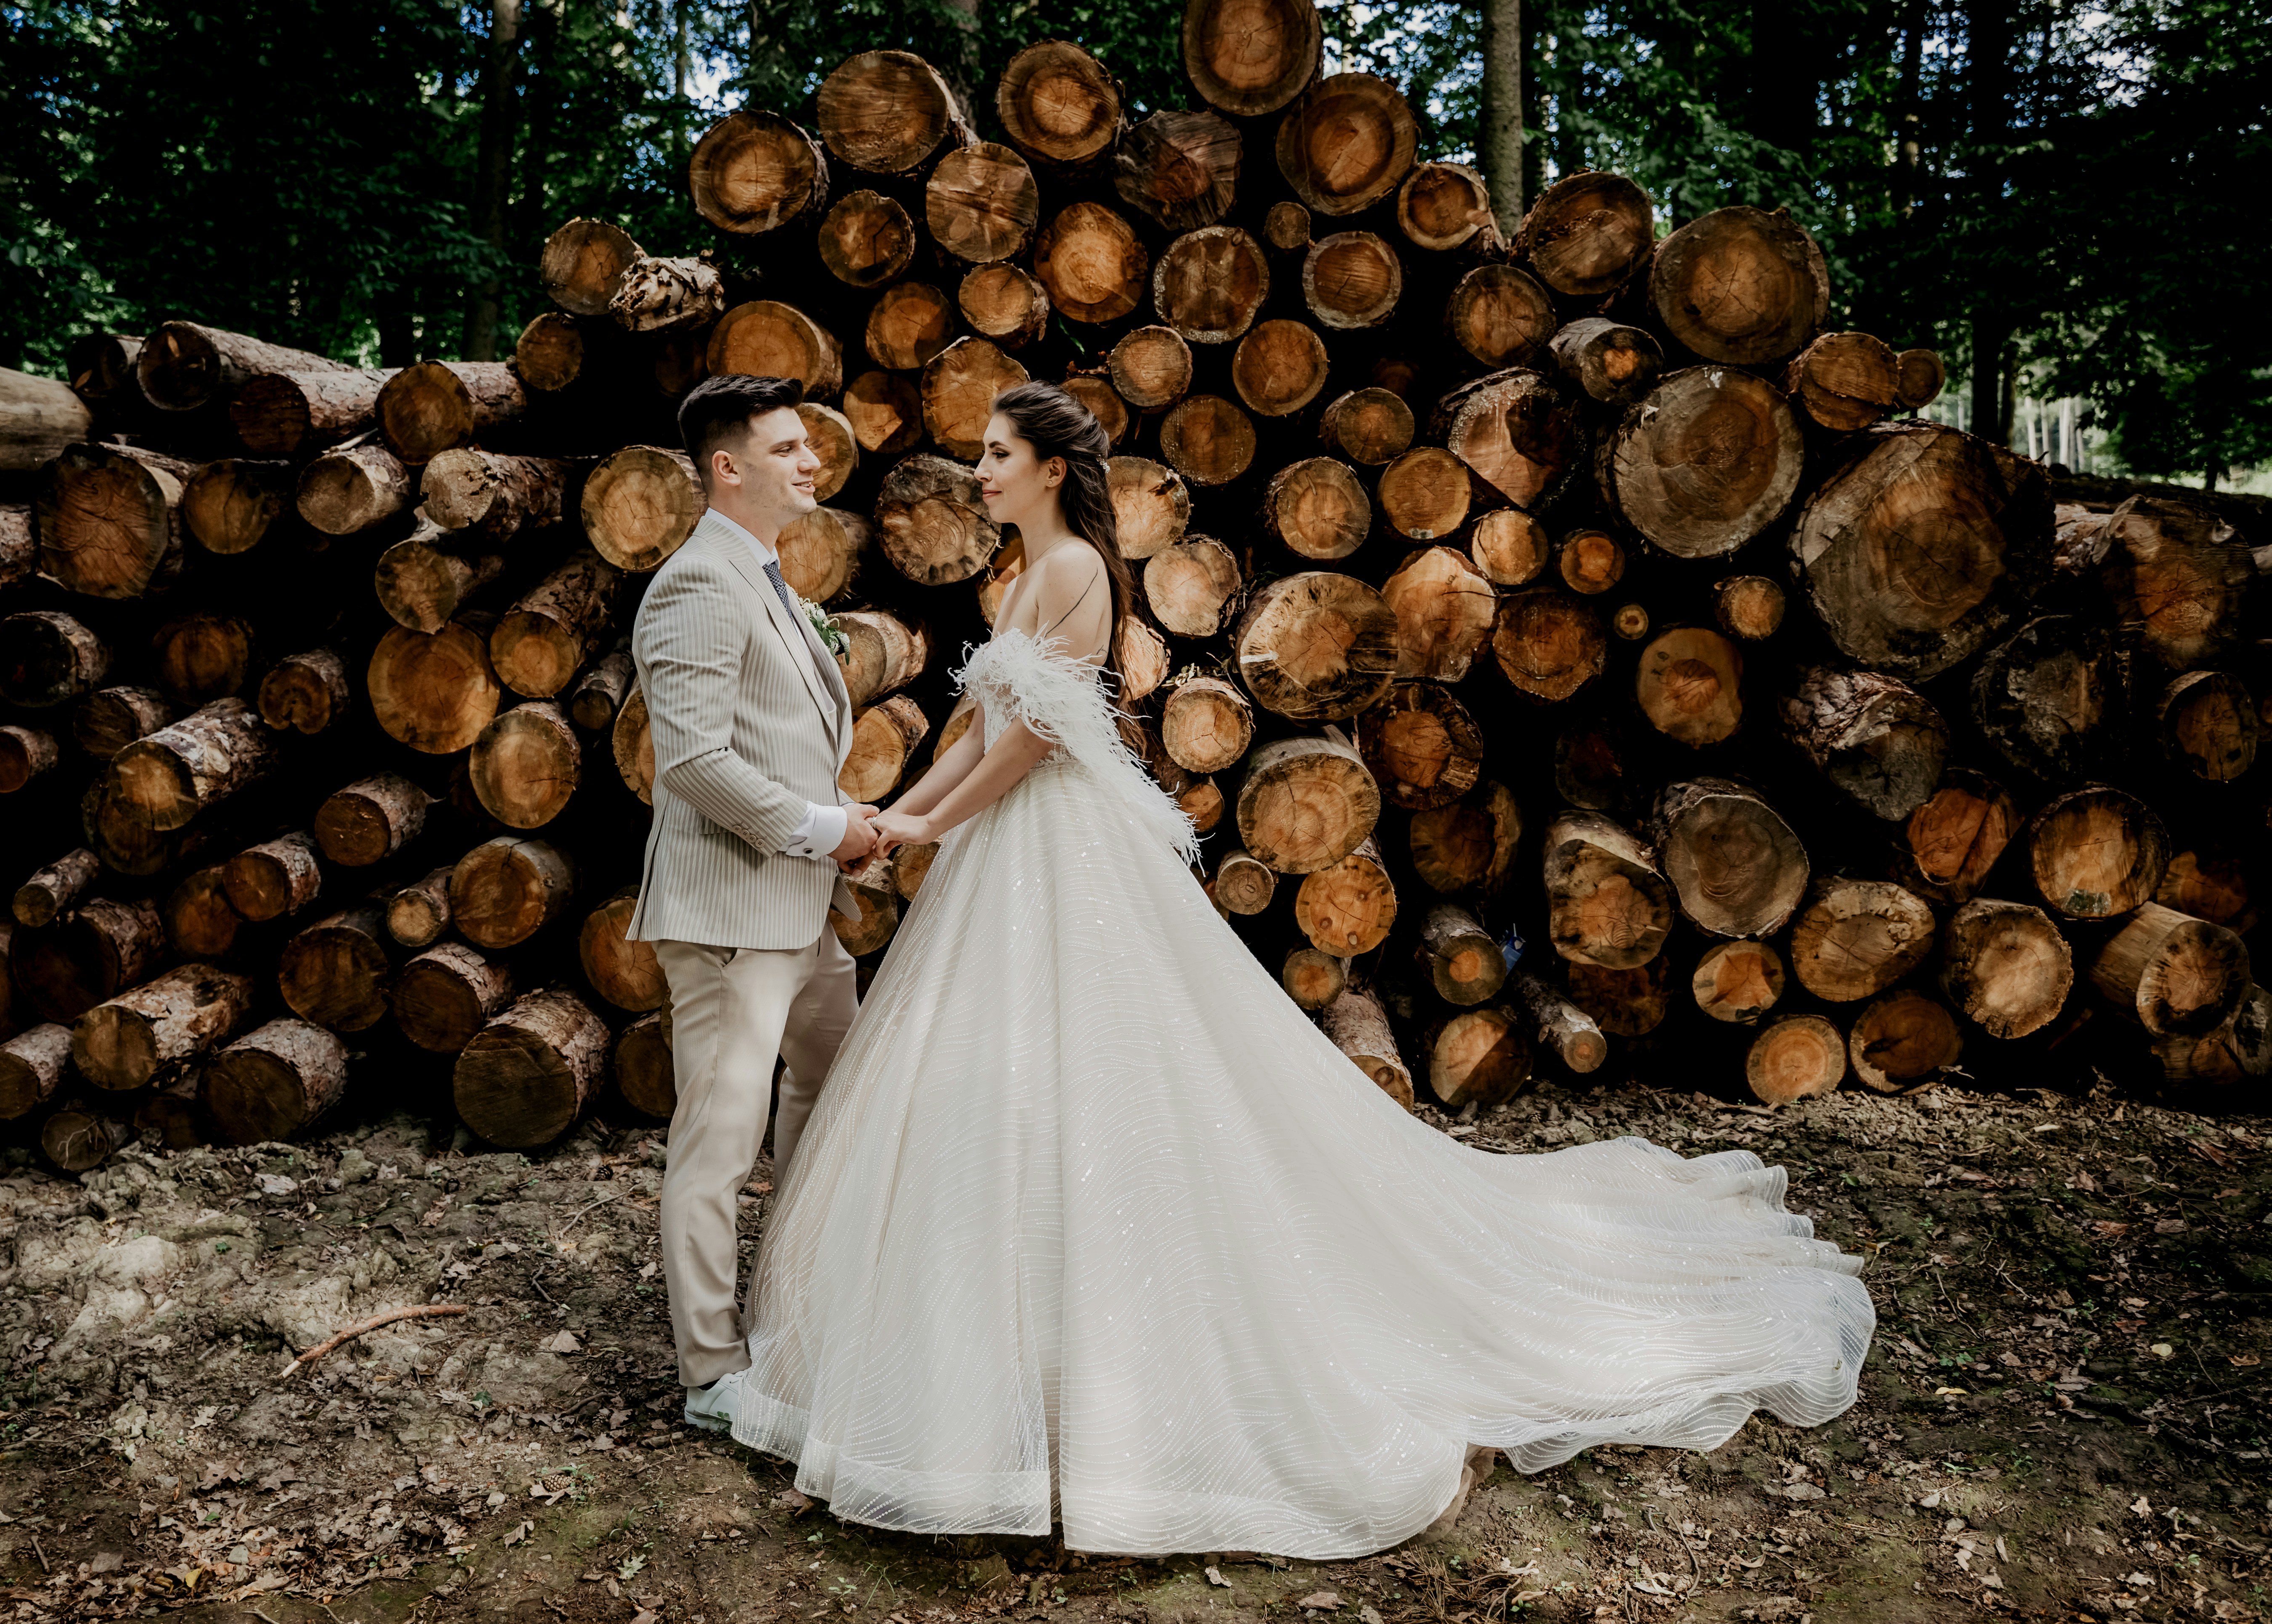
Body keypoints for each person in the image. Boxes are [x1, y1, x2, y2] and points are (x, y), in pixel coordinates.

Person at [723, 381, 1875, 1560]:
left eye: (995, 453)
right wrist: (890, 811)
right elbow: (971, 729)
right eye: (981, 454)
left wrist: (924, 833)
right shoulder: (1020, 581)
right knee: (989, 1091)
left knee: (1097, 1084)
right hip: (1002, 858)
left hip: (1059, 850)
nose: (977, 470)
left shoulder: (1071, 568)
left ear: (1051, 472)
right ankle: (982, 1372)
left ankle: (1084, 1389)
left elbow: (1031, 743)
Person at [624, 373, 881, 1432]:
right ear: (728, 467)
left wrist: (840, 828)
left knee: (833, 1089)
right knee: (718, 1142)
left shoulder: (770, 579)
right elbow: (692, 761)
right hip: (730, 915)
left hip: (800, 905)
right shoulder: (697, 583)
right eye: (787, 448)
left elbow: (777, 739)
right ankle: (711, 1370)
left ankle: (795, 1300)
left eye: (808, 446)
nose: (811, 461)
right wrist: (824, 829)